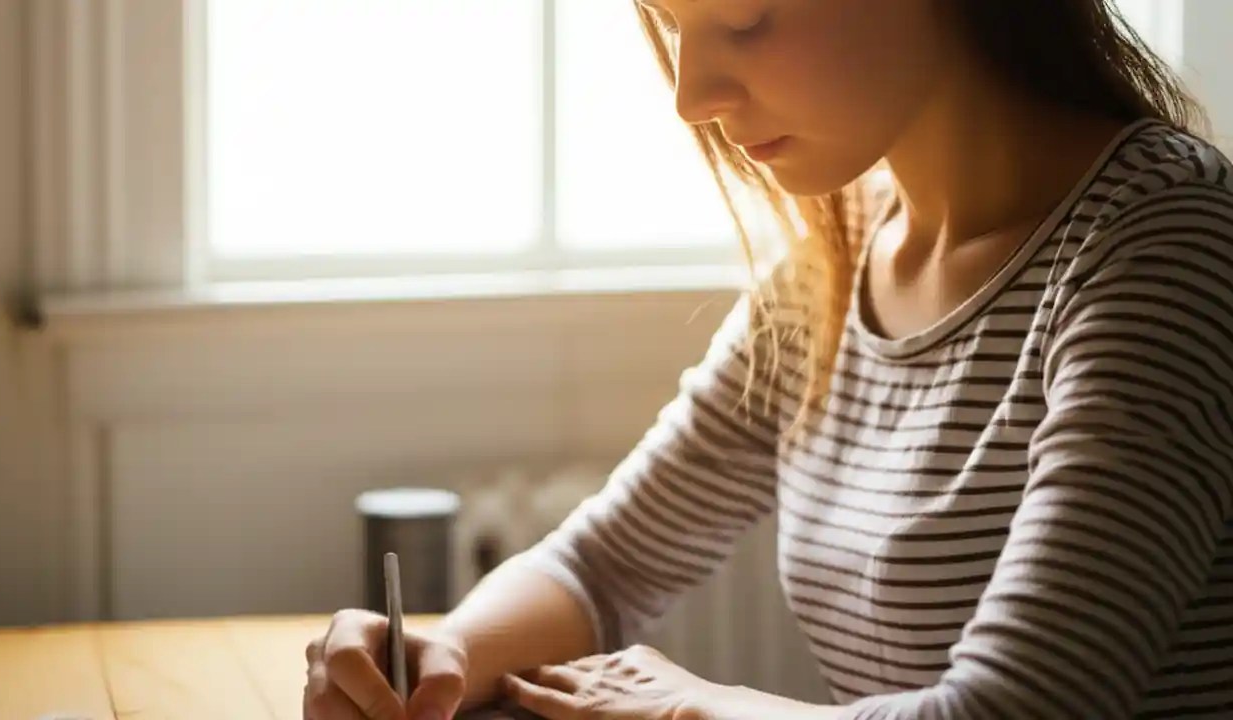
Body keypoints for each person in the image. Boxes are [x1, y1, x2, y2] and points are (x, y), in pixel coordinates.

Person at [304, 1, 1233, 718]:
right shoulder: (841, 258)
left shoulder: (1164, 249)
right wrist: (444, 656)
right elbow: (604, 564)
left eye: (745, 19)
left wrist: (690, 706)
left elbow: (1024, 710)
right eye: (674, 26)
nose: (690, 95)